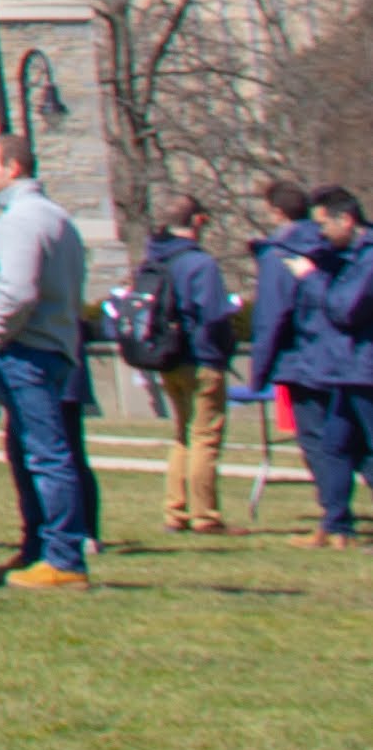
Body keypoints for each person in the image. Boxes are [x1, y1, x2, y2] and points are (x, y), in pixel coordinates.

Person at [0, 131, 93, 588]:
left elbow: (19, 292)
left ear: (13, 168)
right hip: (55, 346)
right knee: (29, 451)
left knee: (45, 454)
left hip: (28, 349)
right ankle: (37, 549)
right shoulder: (58, 218)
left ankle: (63, 558)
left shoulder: (20, 221)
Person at [241, 180, 370, 548]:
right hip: (344, 366)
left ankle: (336, 524)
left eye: (325, 224)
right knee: (336, 445)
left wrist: (310, 278)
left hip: (347, 367)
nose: (321, 233)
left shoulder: (362, 257)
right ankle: (335, 526)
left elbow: (342, 309)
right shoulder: (340, 252)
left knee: (348, 446)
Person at [138, 196, 244, 535]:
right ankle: (205, 515)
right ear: (197, 221)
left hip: (168, 359)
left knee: (182, 436)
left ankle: (176, 510)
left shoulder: (155, 259)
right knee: (205, 438)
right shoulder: (200, 264)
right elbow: (213, 314)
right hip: (201, 359)